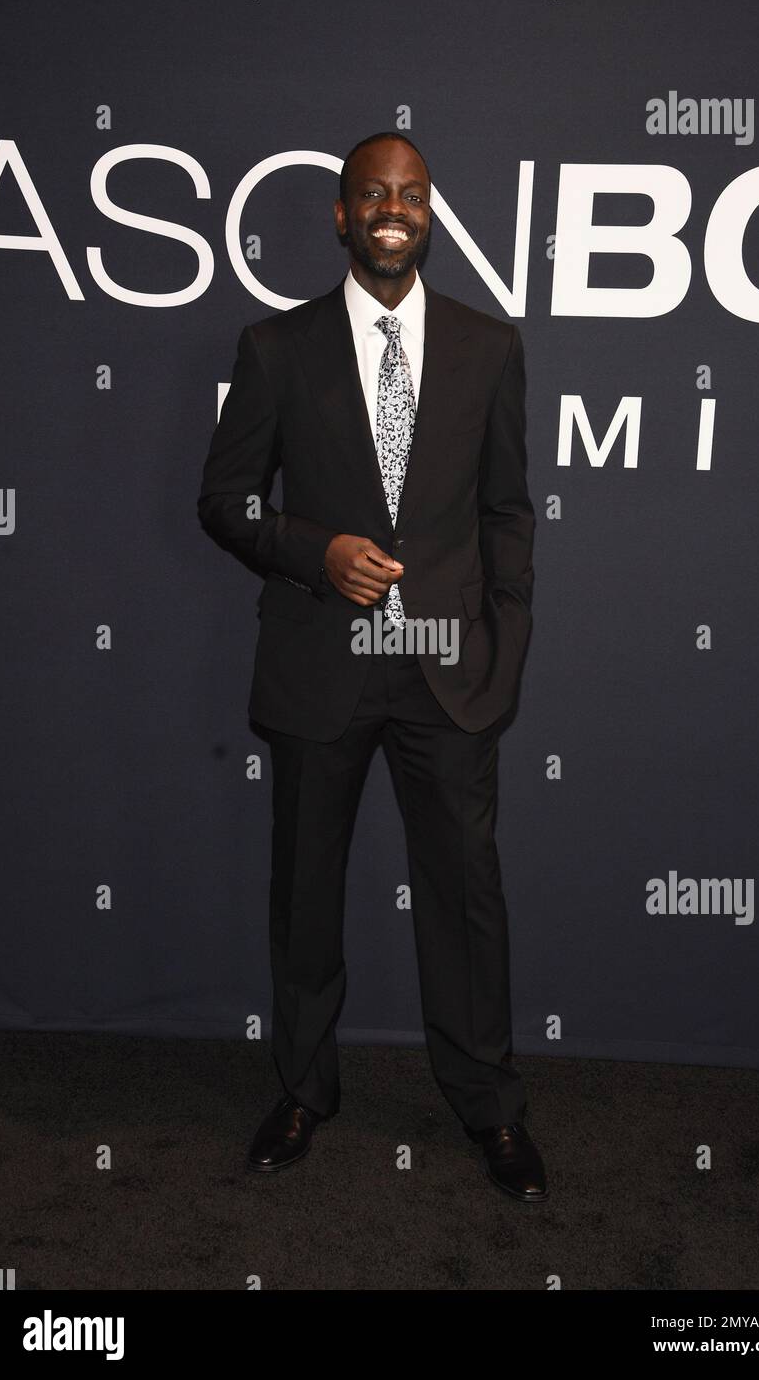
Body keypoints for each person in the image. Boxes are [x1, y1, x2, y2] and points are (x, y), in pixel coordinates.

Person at [197, 131, 547, 1202]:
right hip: (321, 666)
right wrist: (316, 552)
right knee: (305, 890)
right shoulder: (275, 348)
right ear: (342, 216)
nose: (392, 209)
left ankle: (486, 1102)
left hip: (447, 670)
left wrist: (501, 653)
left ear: (427, 215)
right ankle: (303, 1089)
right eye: (372, 195)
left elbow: (504, 514)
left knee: (465, 894)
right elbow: (224, 500)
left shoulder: (491, 348)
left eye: (411, 194)